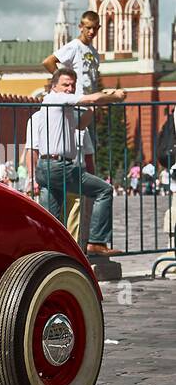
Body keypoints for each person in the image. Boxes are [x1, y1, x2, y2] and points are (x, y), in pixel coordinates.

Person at [30, 67, 125, 256]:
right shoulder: (56, 98)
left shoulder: (61, 108)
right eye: (65, 84)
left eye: (72, 85)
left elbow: (81, 125)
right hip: (59, 166)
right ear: (54, 86)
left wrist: (91, 107)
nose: (70, 88)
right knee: (104, 190)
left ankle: (50, 253)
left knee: (52, 218)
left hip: (47, 166)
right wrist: (115, 96)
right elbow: (93, 98)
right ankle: (97, 241)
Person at [43, 11, 101, 94]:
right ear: (81, 27)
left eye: (95, 28)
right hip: (75, 100)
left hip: (89, 101)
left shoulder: (94, 52)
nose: (91, 32)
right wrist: (62, 81)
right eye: (88, 28)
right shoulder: (74, 46)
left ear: (98, 28)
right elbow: (48, 62)